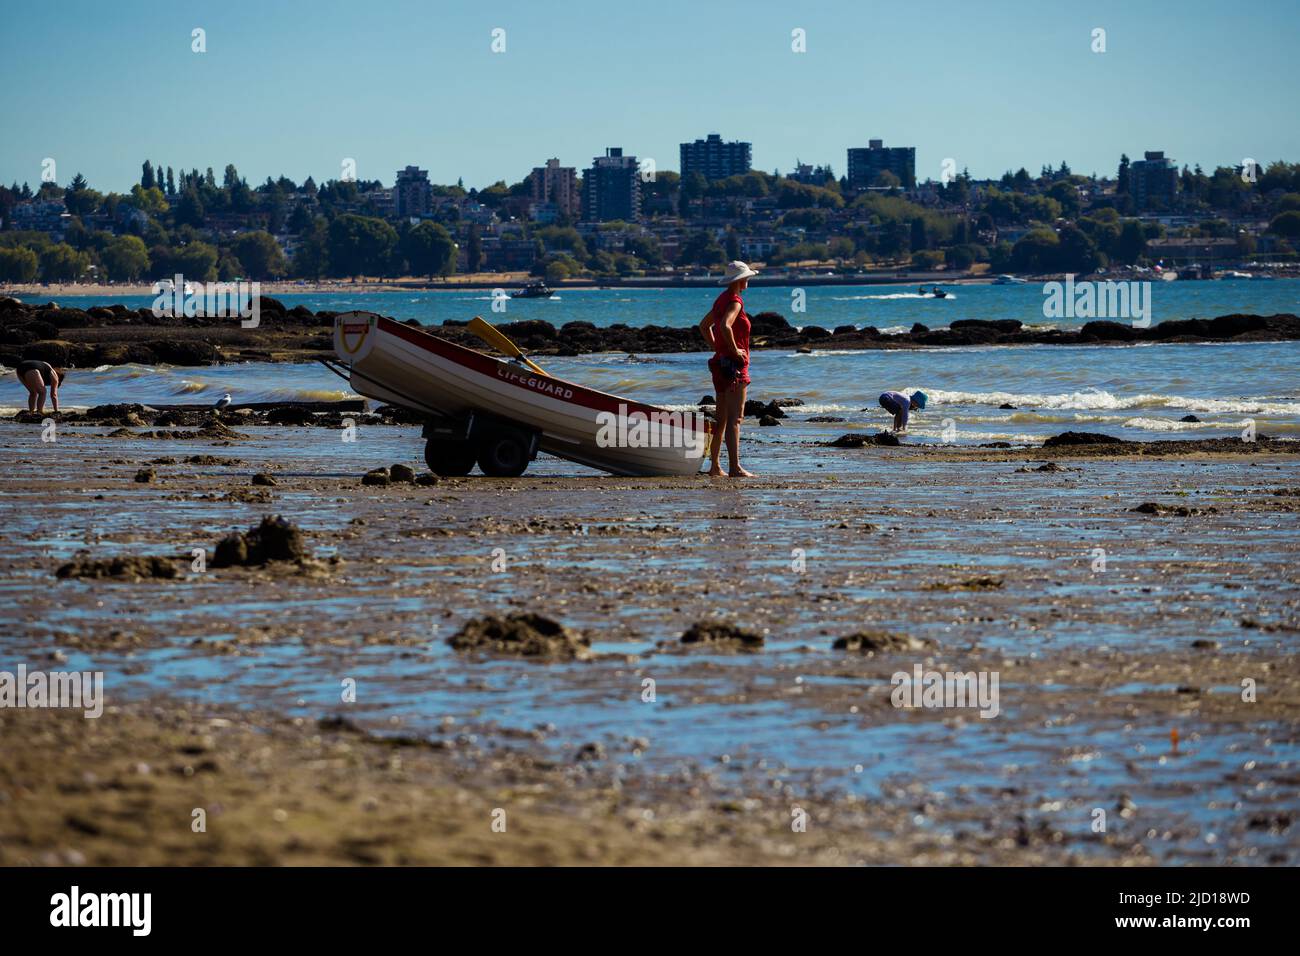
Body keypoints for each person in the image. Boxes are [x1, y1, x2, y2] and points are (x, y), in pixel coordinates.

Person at [698, 260, 759, 477]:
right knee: (735, 419)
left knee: (722, 418)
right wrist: (734, 350)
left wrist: (719, 348)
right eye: (747, 278)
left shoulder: (720, 300)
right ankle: (735, 467)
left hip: (719, 365)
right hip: (734, 367)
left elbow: (704, 326)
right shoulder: (735, 301)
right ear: (741, 281)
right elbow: (725, 325)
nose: (748, 281)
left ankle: (715, 466)